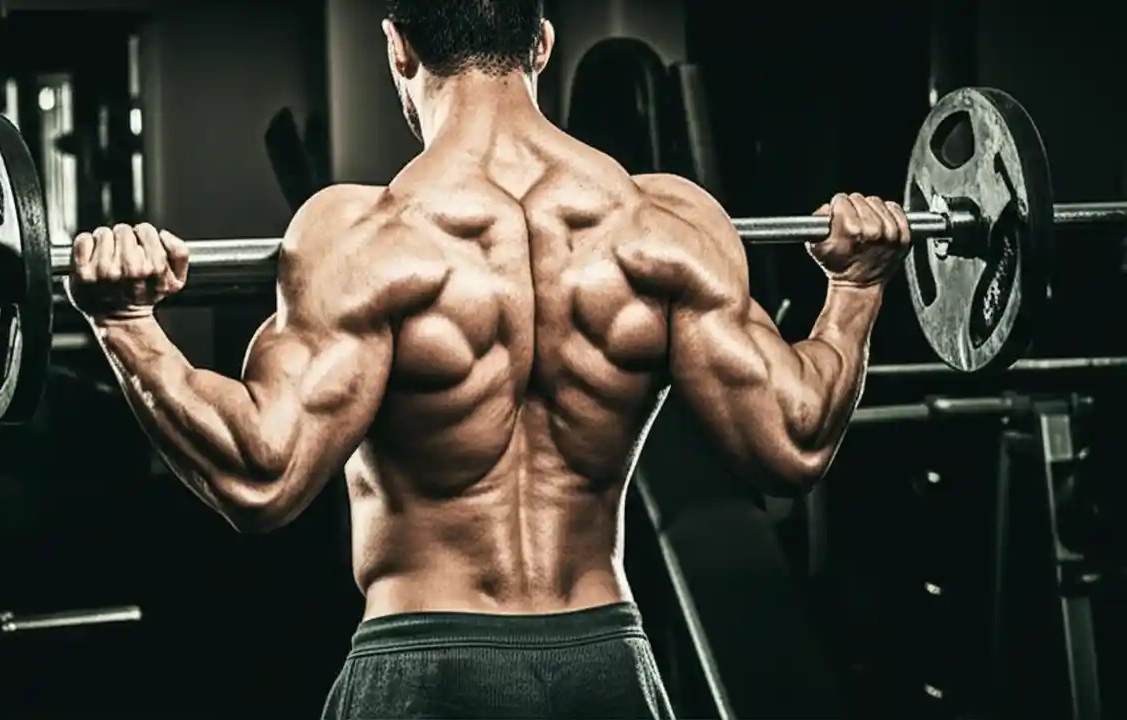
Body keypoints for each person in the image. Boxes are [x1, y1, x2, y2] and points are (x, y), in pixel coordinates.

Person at [65, 1, 911, 717]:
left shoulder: (364, 236)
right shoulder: (665, 225)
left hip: (425, 665)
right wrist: (858, 286)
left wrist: (126, 320)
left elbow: (262, 475)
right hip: (604, 663)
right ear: (543, 43)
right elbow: (794, 444)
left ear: (396, 45)